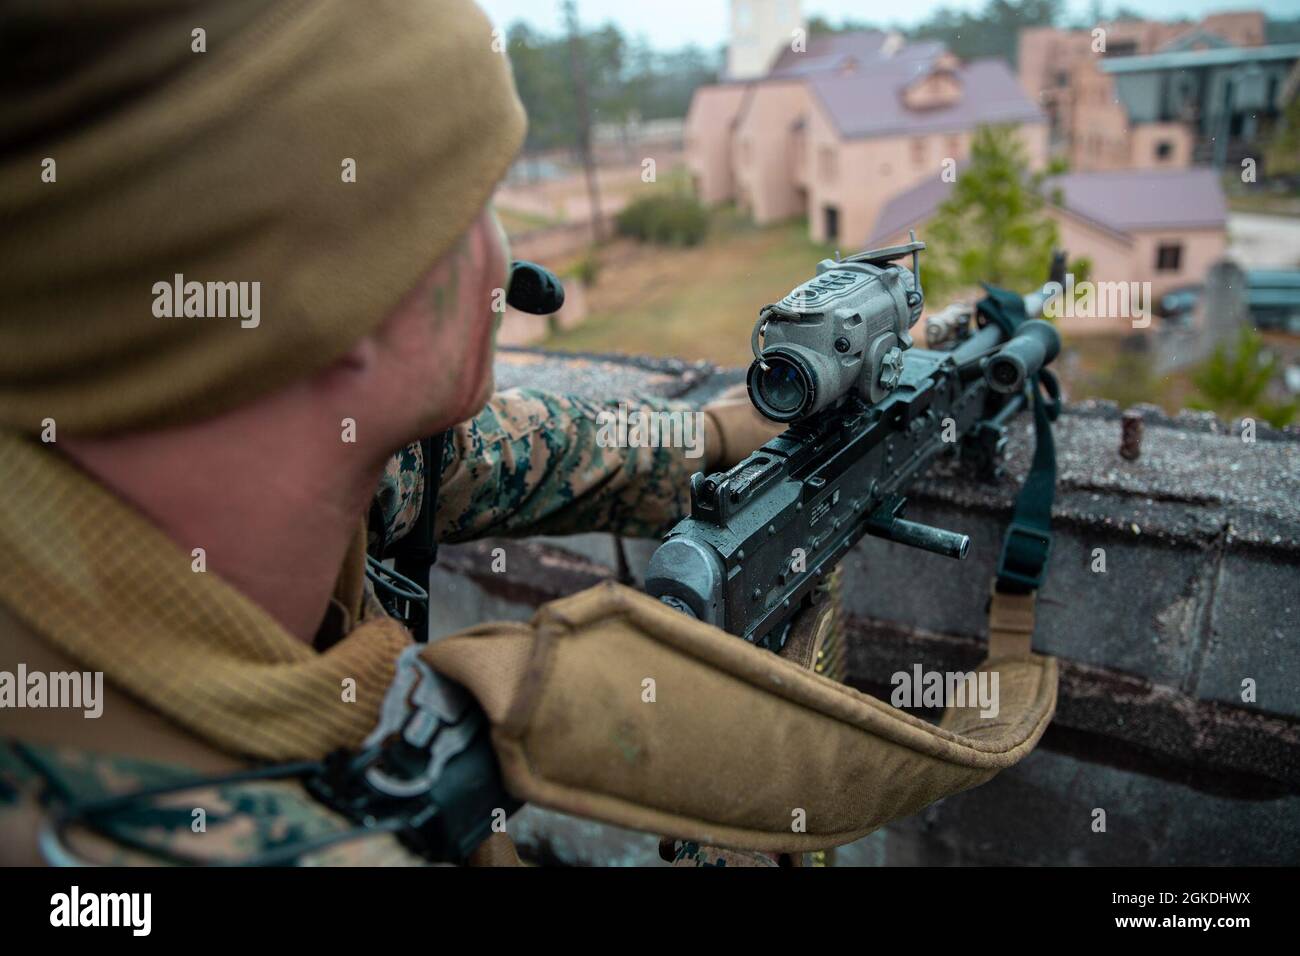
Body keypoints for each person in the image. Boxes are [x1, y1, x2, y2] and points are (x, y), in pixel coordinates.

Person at [0, 0, 778, 865]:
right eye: (472, 203)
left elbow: (491, 458)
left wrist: (713, 435)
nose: (504, 262)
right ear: (345, 298)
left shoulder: (230, 460)